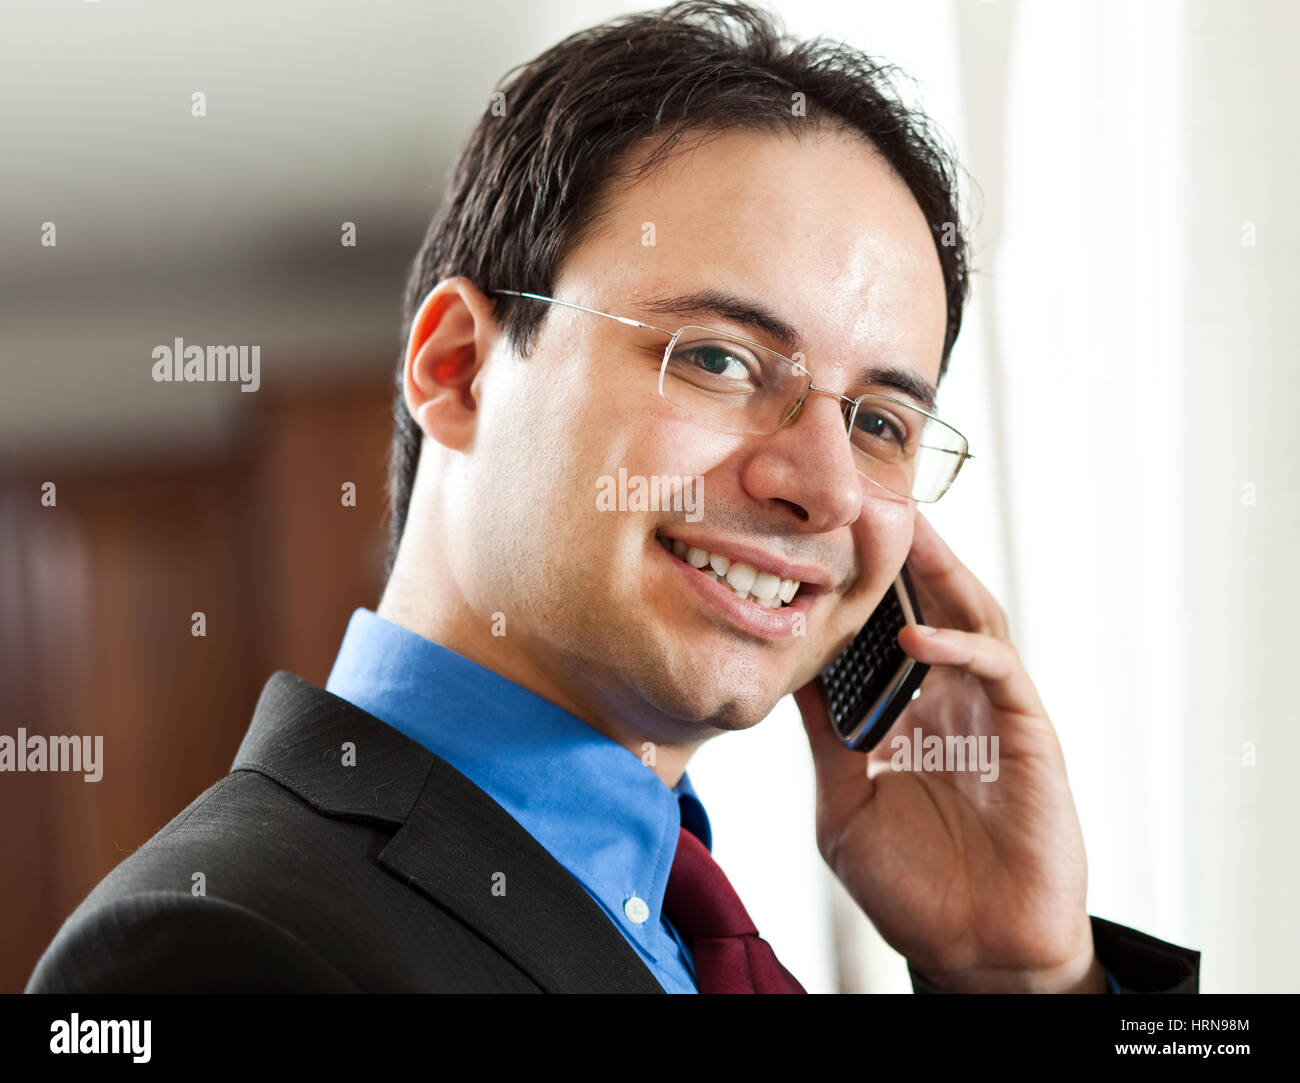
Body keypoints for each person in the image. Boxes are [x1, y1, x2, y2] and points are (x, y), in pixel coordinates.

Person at [27, 0, 1198, 994]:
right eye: (721, 359)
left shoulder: (672, 912)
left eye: (880, 422)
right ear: (456, 368)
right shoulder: (209, 951)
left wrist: (1028, 981)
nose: (825, 488)